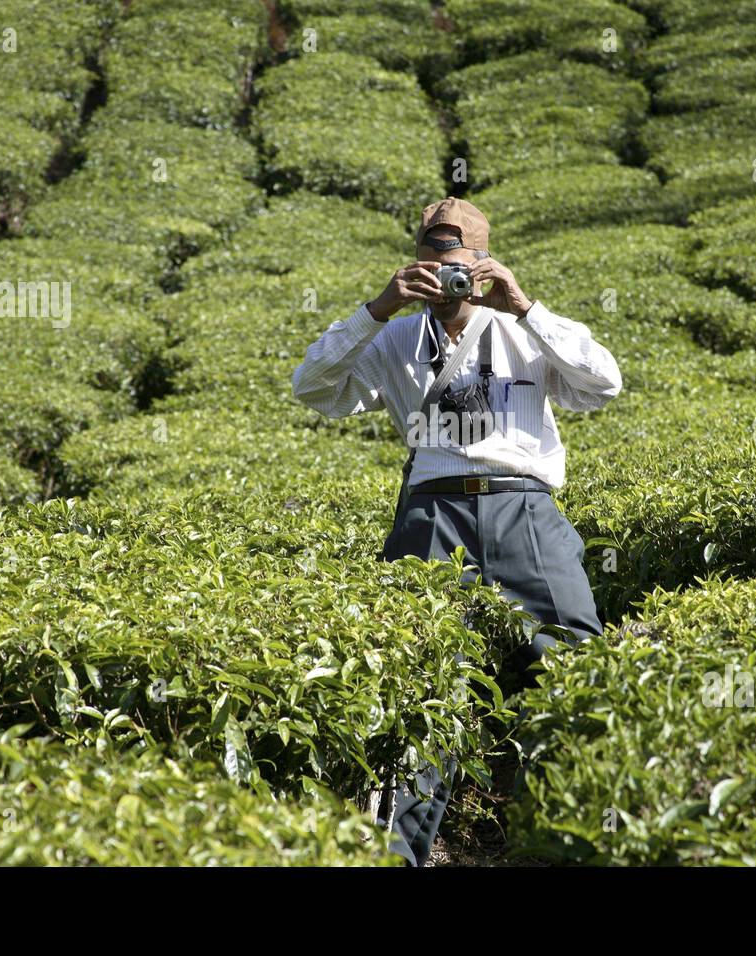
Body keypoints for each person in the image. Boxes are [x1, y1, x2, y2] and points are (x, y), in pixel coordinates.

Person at [290, 197, 622, 866]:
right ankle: (399, 854)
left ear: (480, 263)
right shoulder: (392, 338)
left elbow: (602, 383)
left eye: (457, 264)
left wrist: (526, 304)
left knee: (576, 661)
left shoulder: (523, 330)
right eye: (432, 264)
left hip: (522, 506)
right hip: (430, 514)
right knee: (421, 687)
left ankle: (568, 837)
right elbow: (313, 390)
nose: (445, 279)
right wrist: (375, 309)